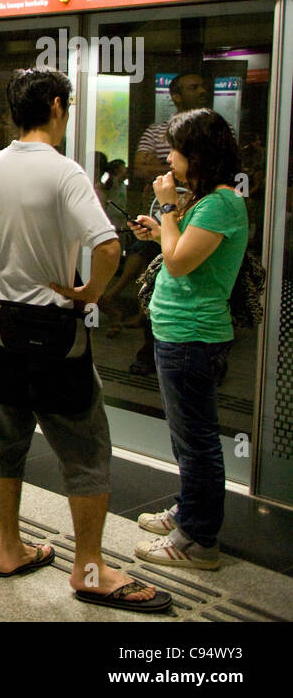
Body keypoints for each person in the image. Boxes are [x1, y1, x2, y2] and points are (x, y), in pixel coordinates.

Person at [0, 68, 169, 614]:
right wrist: (89, 292)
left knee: (7, 442)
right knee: (85, 452)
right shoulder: (66, 172)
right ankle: (89, 570)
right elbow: (108, 246)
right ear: (59, 106)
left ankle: (11, 548)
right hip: (55, 335)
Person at [129, 109, 247, 571]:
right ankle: (188, 510)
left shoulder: (220, 203)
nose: (168, 157)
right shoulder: (206, 202)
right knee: (186, 438)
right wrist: (161, 230)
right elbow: (180, 250)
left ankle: (198, 541)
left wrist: (166, 210)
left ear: (197, 154)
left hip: (193, 335)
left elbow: (178, 264)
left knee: (197, 441)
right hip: (178, 331)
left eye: (175, 149)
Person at [126, 72, 210, 375]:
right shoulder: (156, 130)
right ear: (175, 96)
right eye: (194, 86)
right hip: (164, 212)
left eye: (177, 153)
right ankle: (152, 349)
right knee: (156, 280)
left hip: (180, 213)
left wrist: (169, 197)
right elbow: (139, 166)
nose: (202, 90)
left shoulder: (211, 130)